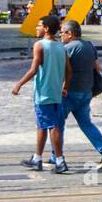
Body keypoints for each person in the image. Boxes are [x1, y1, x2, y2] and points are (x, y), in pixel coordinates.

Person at [11, 15, 71, 174]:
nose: (36, 28)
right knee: (42, 126)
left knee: (52, 127)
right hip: (56, 93)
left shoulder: (39, 45)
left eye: (39, 25)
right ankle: (37, 158)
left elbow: (34, 69)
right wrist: (65, 86)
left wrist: (19, 84)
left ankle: (60, 160)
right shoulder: (61, 47)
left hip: (44, 93)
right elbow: (69, 71)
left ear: (46, 29)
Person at [58, 20, 102, 169]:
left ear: (70, 33)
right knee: (86, 123)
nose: (60, 35)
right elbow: (97, 67)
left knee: (57, 124)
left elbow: (61, 71)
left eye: (62, 32)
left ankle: (56, 157)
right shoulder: (89, 45)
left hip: (70, 92)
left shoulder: (67, 48)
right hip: (87, 92)